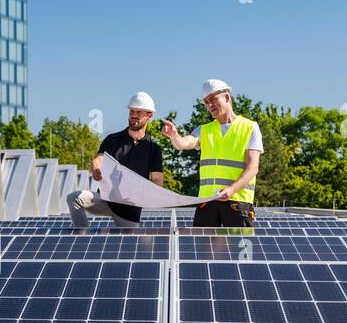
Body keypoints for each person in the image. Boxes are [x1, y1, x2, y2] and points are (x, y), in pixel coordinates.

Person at [162, 79, 261, 228]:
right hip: (207, 202)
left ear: (227, 97)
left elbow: (253, 167)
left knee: (241, 251)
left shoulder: (250, 127)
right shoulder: (204, 129)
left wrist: (231, 190)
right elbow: (183, 144)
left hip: (238, 202)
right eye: (206, 102)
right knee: (203, 250)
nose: (210, 105)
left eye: (213, 99)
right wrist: (174, 136)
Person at [67, 92, 165, 228]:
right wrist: (96, 169)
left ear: (149, 115)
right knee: (74, 198)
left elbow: (157, 180)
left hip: (130, 210)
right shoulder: (113, 140)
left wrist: (147, 194)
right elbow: (98, 159)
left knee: (127, 248)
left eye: (139, 112)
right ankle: (81, 237)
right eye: (132, 111)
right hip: (105, 201)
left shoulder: (153, 149)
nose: (134, 115)